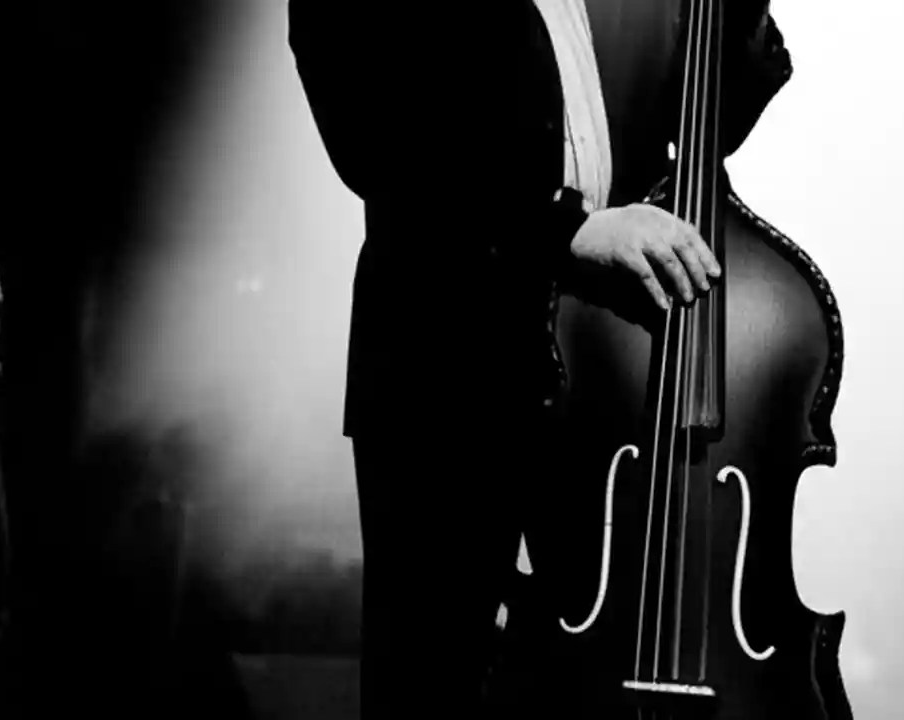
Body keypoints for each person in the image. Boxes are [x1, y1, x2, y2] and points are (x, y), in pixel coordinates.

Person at [287, 1, 790, 716]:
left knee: (592, 681)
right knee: (433, 681)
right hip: (446, 371)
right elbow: (379, 141)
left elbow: (704, 124)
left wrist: (739, 11)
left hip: (613, 370)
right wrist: (567, 234)